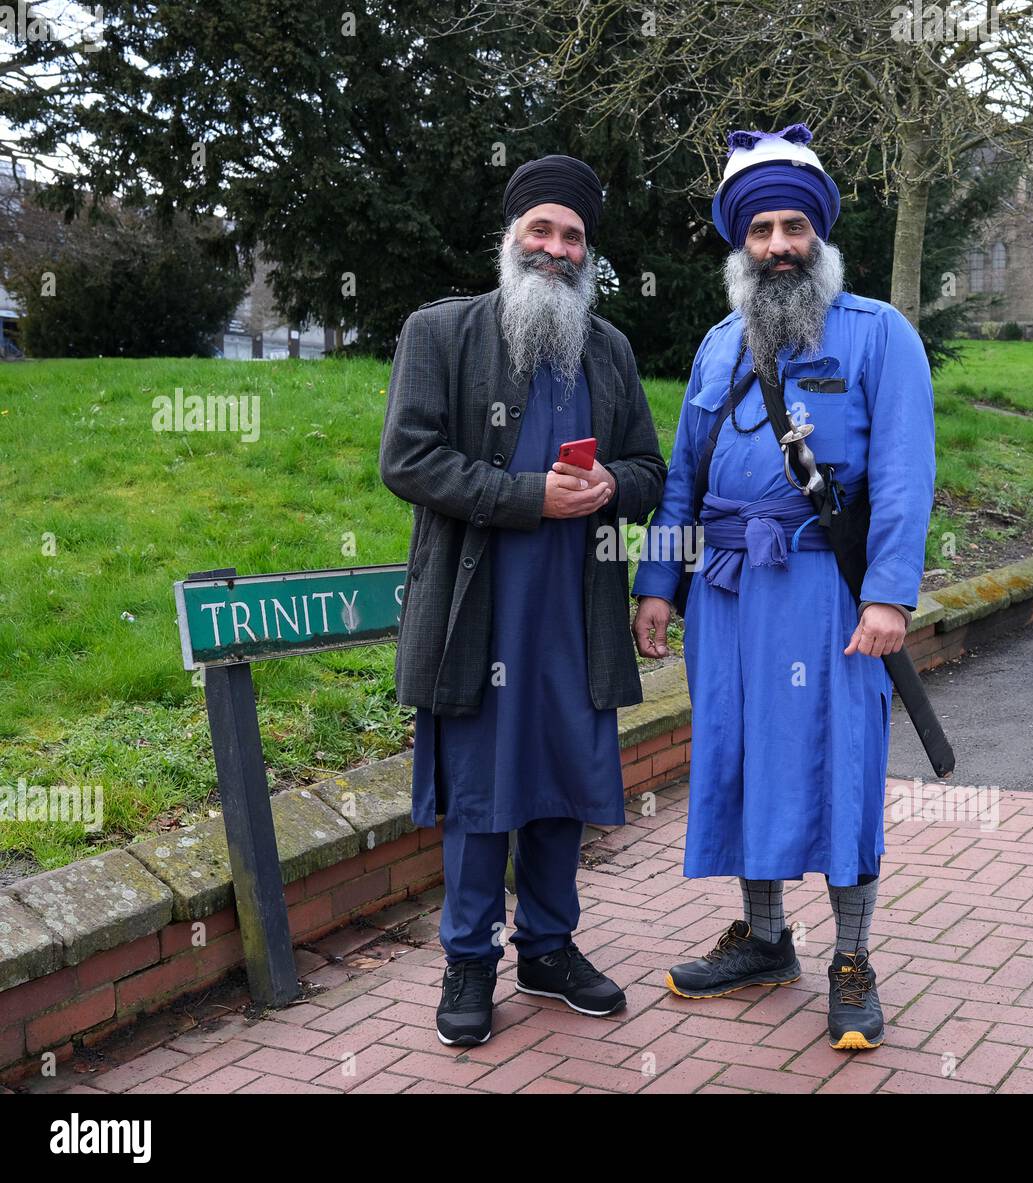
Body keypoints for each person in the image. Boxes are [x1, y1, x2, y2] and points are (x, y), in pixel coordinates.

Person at [630, 123, 936, 1051]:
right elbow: (682, 475)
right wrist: (657, 584)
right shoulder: (718, 347)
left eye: (792, 229)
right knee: (739, 757)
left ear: (819, 237)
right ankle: (765, 941)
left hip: (826, 596)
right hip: (725, 596)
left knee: (840, 763)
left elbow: (904, 472)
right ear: (740, 241)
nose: (776, 246)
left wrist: (888, 593)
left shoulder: (880, 335)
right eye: (759, 230)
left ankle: (851, 957)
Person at [380, 154, 666, 1047]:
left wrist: (606, 489)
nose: (555, 249)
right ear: (509, 239)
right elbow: (409, 459)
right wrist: (526, 496)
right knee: (477, 796)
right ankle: (470, 959)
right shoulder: (441, 333)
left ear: (588, 252)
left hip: (573, 616)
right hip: (477, 613)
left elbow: (650, 469)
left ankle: (548, 947)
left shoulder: (609, 349)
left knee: (560, 786)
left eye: (572, 236)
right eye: (539, 231)